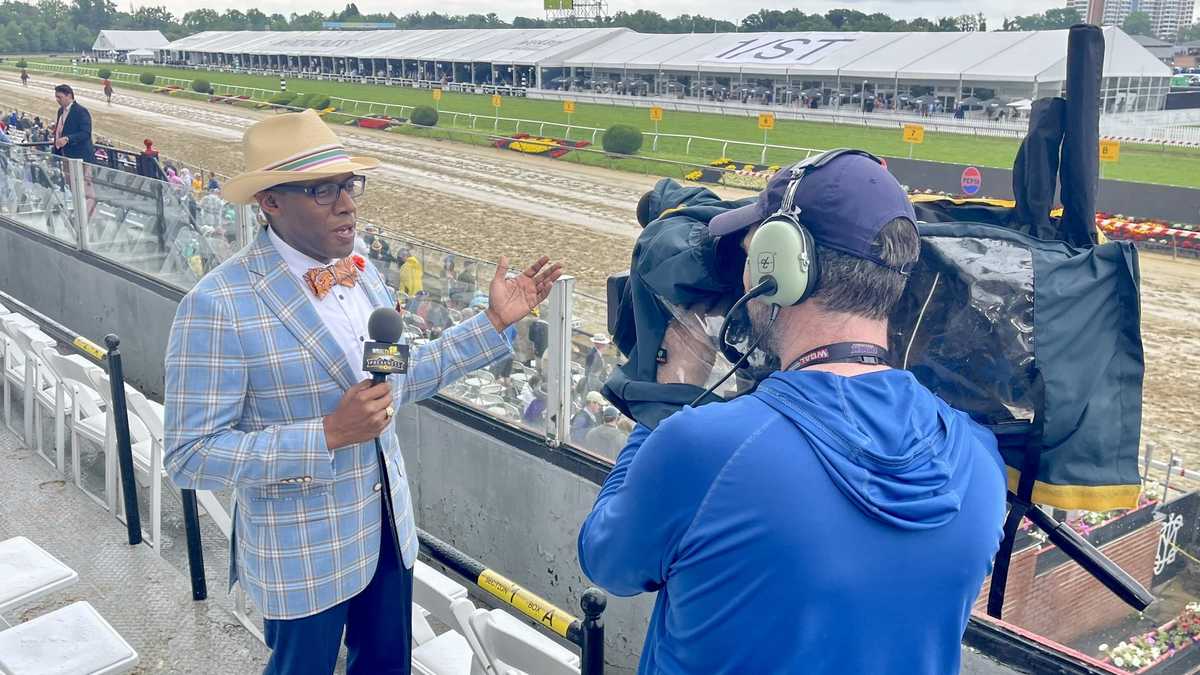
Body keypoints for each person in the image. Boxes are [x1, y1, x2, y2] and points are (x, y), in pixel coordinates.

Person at [163, 109, 562, 675]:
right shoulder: (216, 304)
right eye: (322, 190)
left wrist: (493, 323)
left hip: (388, 534)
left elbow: (398, 381)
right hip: (301, 555)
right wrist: (327, 433)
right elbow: (188, 456)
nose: (347, 204)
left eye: (349, 185)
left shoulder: (362, 272)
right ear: (269, 202)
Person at [577, 151, 1007, 674]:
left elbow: (608, 562)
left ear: (779, 265)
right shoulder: (978, 455)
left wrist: (668, 400)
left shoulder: (703, 447)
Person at [51, 85, 95, 162]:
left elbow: (86, 133)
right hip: (64, 155)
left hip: (80, 156)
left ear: (69, 96)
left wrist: (67, 139)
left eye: (59, 97)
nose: (57, 100)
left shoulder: (81, 111)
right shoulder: (60, 111)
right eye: (56, 97)